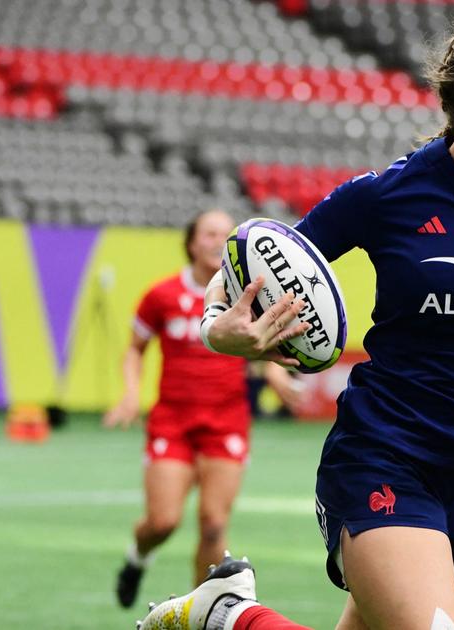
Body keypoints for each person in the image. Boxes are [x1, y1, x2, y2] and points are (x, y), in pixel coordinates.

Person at [139, 13, 454, 630]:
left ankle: (227, 617)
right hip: (386, 451)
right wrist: (221, 329)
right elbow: (249, 266)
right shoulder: (388, 193)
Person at [105, 209, 302, 608]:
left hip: (225, 422)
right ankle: (137, 558)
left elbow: (259, 345)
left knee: (214, 526)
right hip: (172, 422)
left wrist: (276, 375)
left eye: (223, 233)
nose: (216, 240)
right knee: (162, 522)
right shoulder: (161, 295)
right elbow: (134, 350)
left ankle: (198, 614)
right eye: (208, 233)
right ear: (192, 243)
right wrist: (129, 393)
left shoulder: (244, 298)